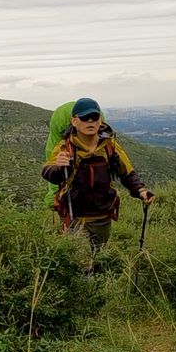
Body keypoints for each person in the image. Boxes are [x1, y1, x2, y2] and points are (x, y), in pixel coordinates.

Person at [42, 96, 153, 250]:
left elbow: (127, 173)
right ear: (74, 121)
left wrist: (141, 191)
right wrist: (59, 168)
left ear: (100, 120)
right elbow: (48, 172)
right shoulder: (65, 148)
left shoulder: (110, 146)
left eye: (94, 117)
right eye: (85, 117)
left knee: (99, 259)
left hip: (103, 217)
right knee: (83, 262)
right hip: (76, 218)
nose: (90, 121)